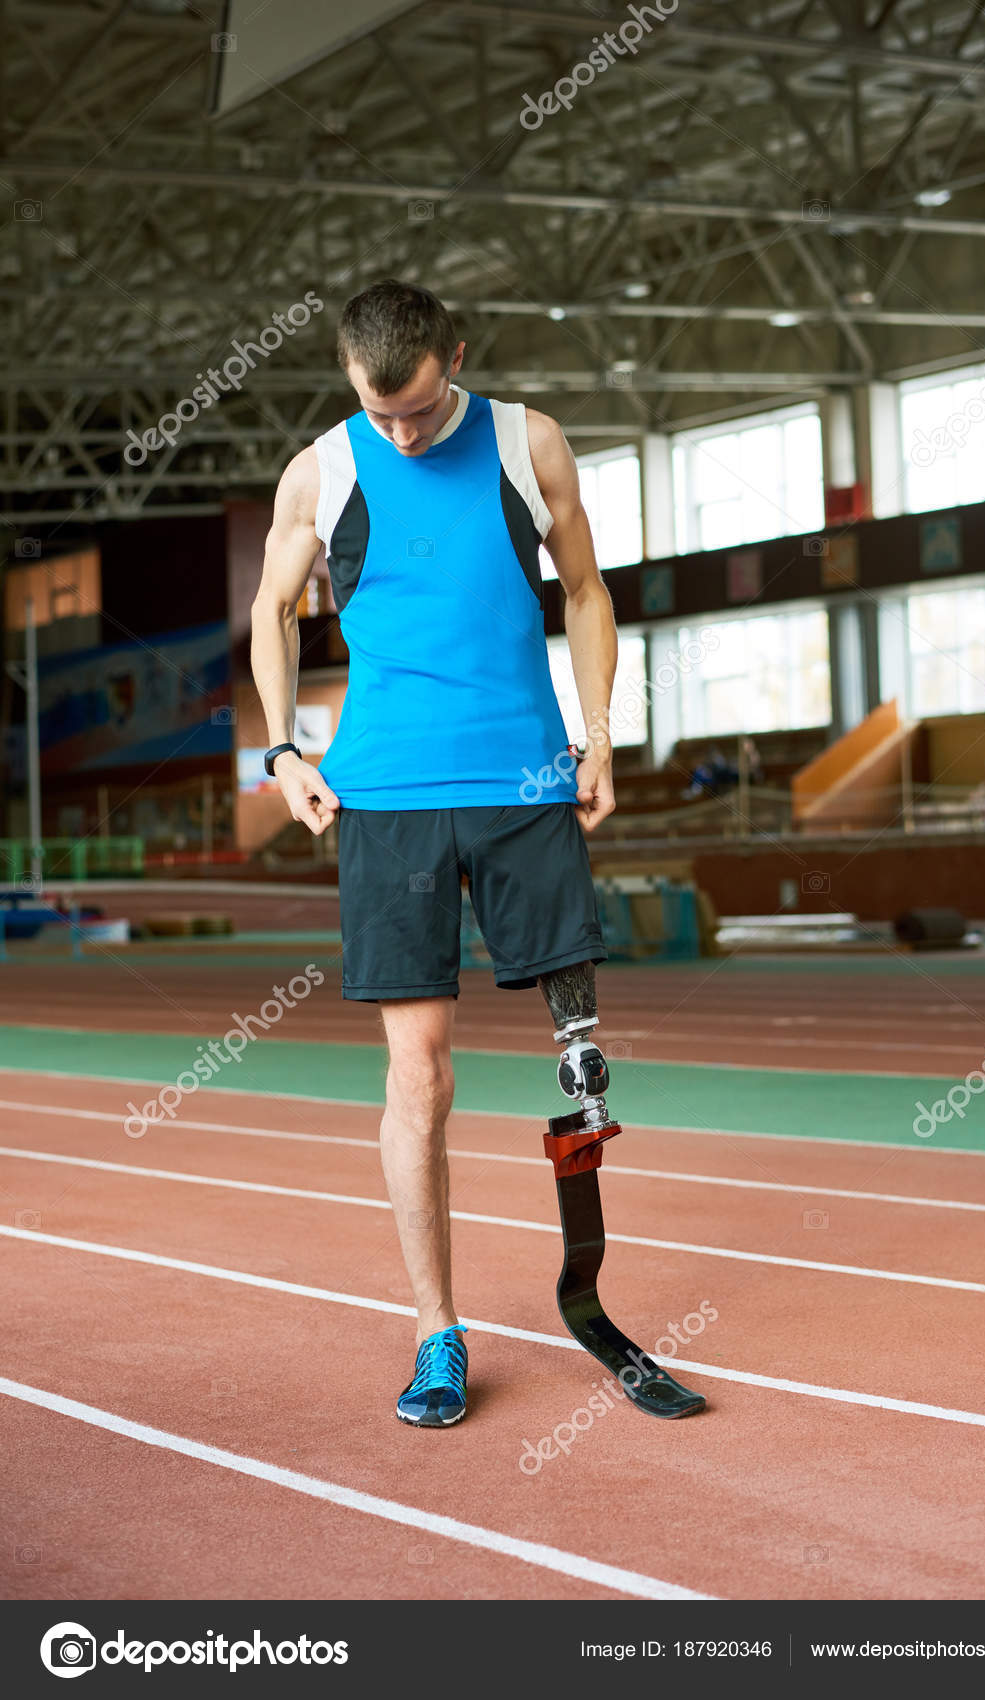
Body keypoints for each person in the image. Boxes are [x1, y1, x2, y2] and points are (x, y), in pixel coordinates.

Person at [250, 279, 617, 1427]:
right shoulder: (323, 467)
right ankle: (437, 1332)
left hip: (525, 781)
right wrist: (281, 752)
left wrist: (599, 729)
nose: (402, 429)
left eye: (417, 406)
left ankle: (586, 1272)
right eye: (380, 408)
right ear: (352, 379)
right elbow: (270, 612)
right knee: (421, 1078)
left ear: (453, 355)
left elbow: (590, 592)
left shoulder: (527, 439)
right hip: (388, 798)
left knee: (581, 1055)